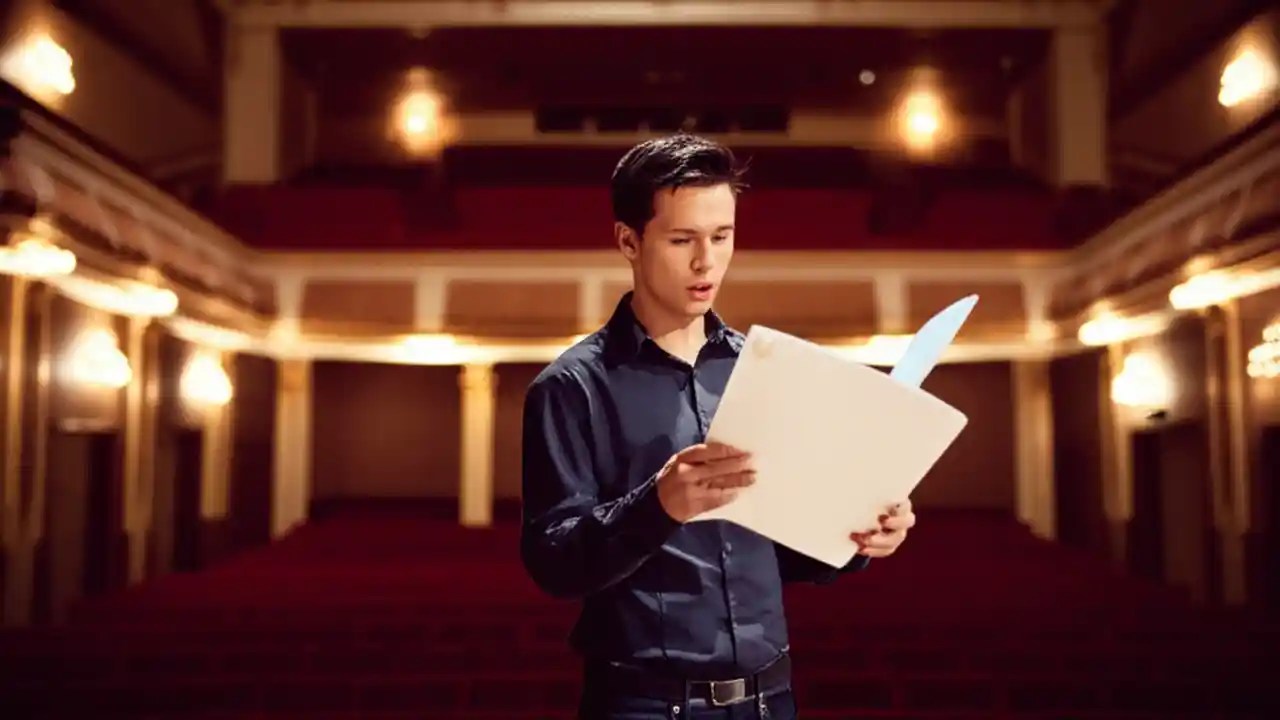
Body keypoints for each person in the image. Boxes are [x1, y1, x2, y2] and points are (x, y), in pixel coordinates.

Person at [520, 134, 916, 720]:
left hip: (769, 699)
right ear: (628, 240)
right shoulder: (571, 388)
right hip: (642, 705)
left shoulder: (765, 371)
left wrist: (858, 535)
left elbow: (782, 550)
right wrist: (658, 505)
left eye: (722, 236)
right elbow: (555, 564)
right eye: (682, 240)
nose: (707, 261)